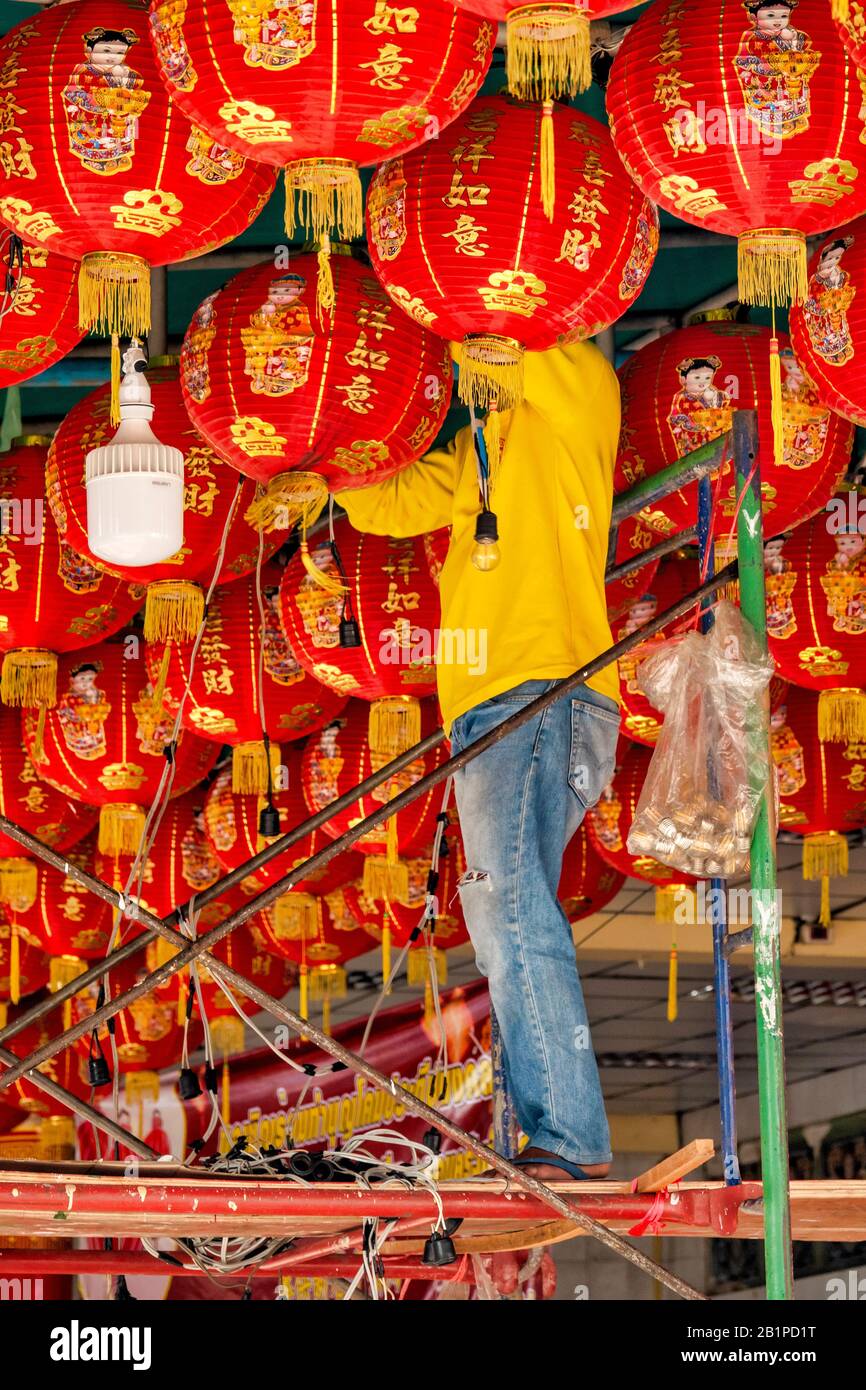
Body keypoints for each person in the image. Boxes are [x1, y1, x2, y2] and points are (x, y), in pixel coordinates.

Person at [336, 340, 620, 1182]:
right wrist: (323, 473)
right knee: (501, 916)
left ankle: (568, 1135)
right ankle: (549, 1132)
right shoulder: (485, 439)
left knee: (510, 910)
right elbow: (393, 501)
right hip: (494, 709)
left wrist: (450, 318)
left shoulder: (578, 383)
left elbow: (495, 340)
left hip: (538, 688)